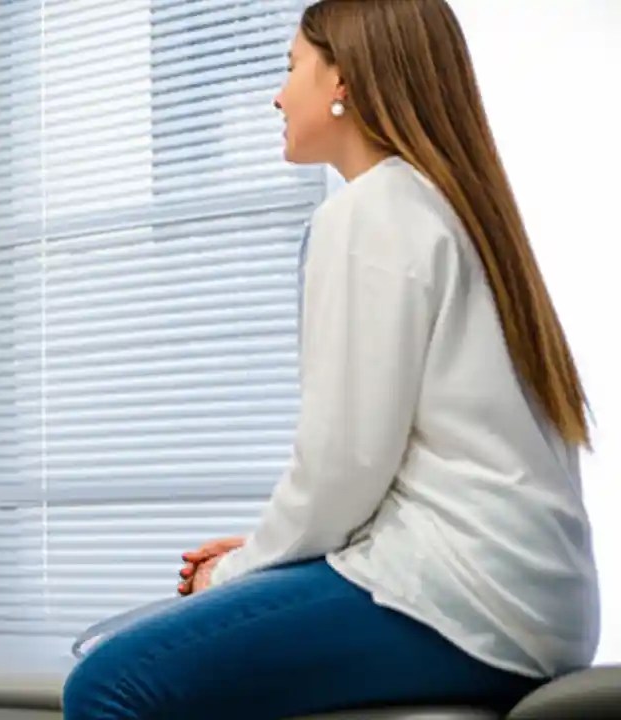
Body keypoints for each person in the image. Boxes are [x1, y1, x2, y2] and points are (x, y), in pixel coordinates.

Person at [61, 1, 600, 717]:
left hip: (464, 602)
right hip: (534, 609)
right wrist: (263, 555)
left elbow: (344, 466)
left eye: (291, 68)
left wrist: (238, 571)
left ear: (342, 75)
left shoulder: (371, 211)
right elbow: (395, 473)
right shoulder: (455, 213)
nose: (278, 94)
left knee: (108, 680)